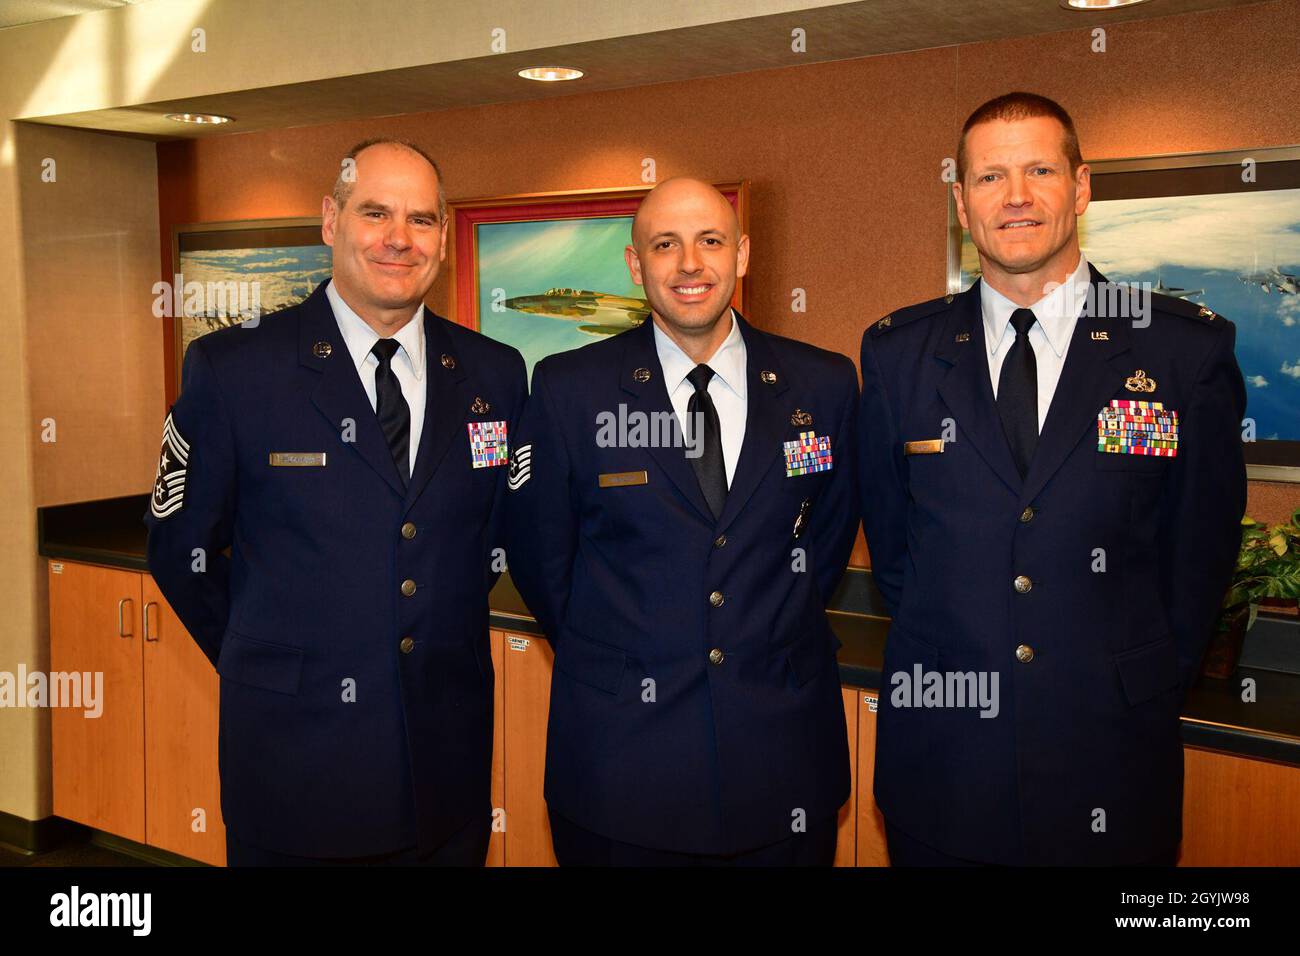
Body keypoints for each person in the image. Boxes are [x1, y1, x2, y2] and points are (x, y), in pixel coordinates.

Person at [858, 92, 1247, 866]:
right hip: (944, 763)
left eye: (1040, 169)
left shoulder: (1178, 352)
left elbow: (1197, 561)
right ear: (962, 206)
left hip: (1108, 758)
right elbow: (899, 556)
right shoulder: (899, 353)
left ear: (1081, 186)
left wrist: (1126, 683)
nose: (1017, 196)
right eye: (990, 177)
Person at [144, 138, 526, 866]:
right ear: (331, 220)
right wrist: (268, 658)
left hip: (445, 773)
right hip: (295, 769)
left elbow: (485, 540)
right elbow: (180, 551)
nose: (398, 239)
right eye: (375, 212)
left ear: (443, 237)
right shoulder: (235, 368)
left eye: (421, 220)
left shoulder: (494, 374)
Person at [506, 177, 859, 866]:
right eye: (665, 245)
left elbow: (824, 543)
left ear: (742, 253)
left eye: (710, 241)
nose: (690, 264)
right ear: (637, 266)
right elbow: (542, 560)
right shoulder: (568, 389)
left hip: (781, 762)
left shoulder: (823, 384)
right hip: (620, 768)